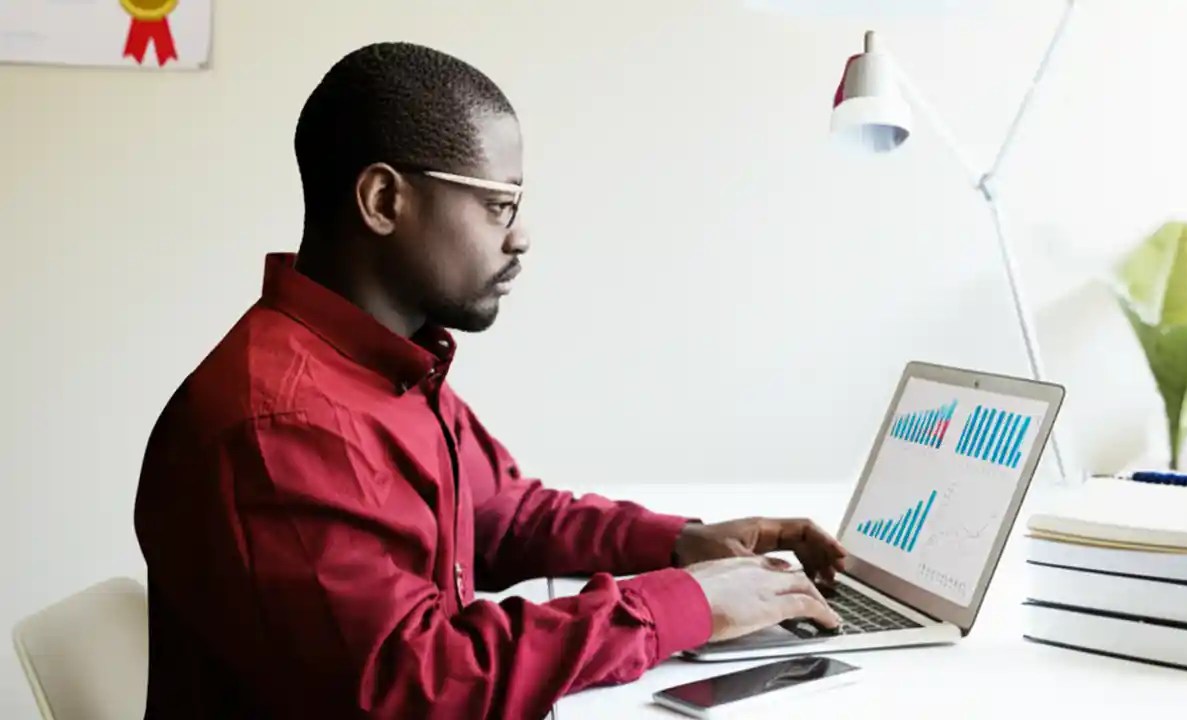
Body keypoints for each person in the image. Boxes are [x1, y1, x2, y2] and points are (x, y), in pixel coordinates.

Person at [134, 41, 846, 720]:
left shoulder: (391, 367)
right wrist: (681, 605)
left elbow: (505, 516)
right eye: (498, 205)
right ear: (383, 200)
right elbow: (414, 685)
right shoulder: (282, 428)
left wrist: (682, 544)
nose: (522, 235)